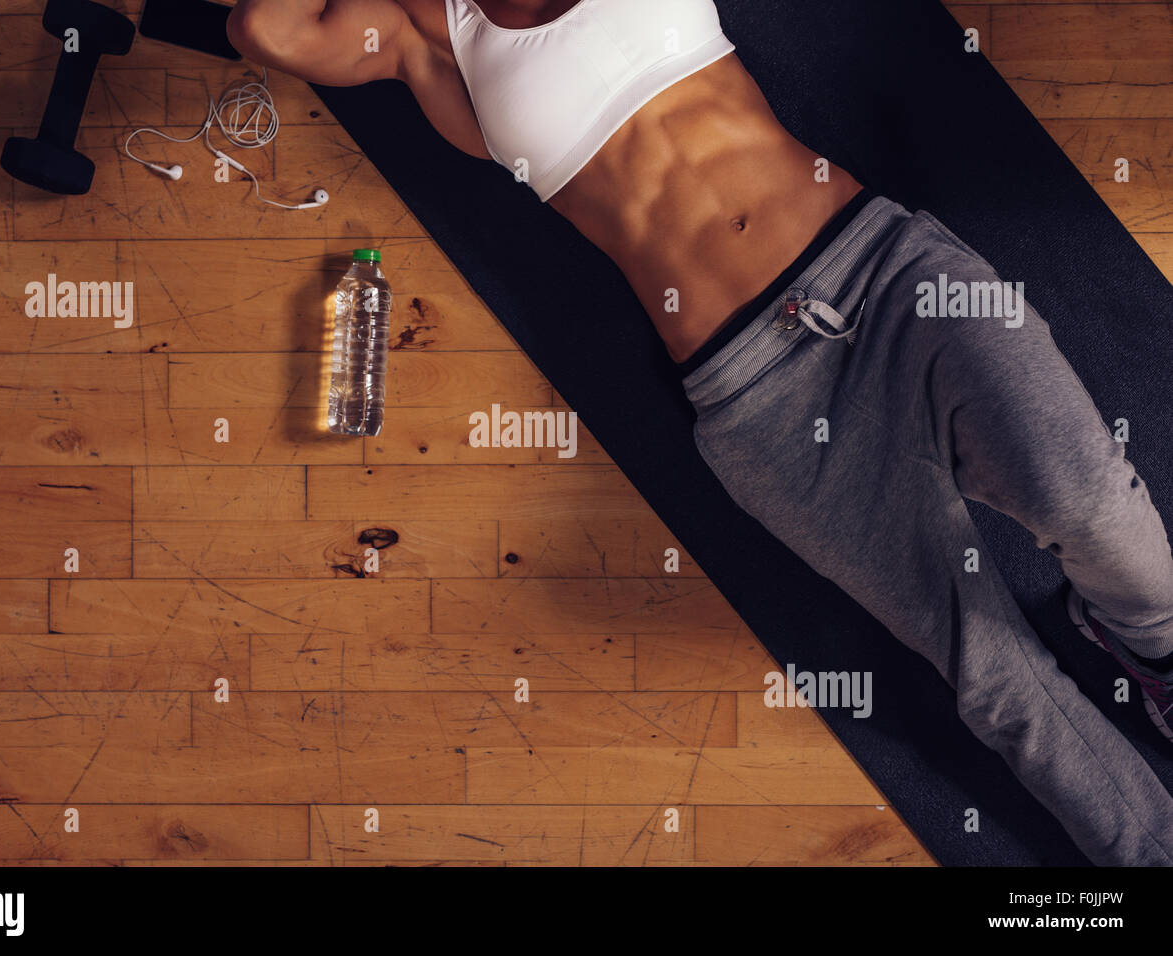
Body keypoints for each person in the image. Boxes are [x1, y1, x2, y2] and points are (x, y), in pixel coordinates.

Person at [225, 0, 1173, 865]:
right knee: (991, 675)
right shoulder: (429, 39)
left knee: (1089, 496)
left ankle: (1152, 642)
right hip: (756, 393)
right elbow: (265, 28)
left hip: (889, 274)